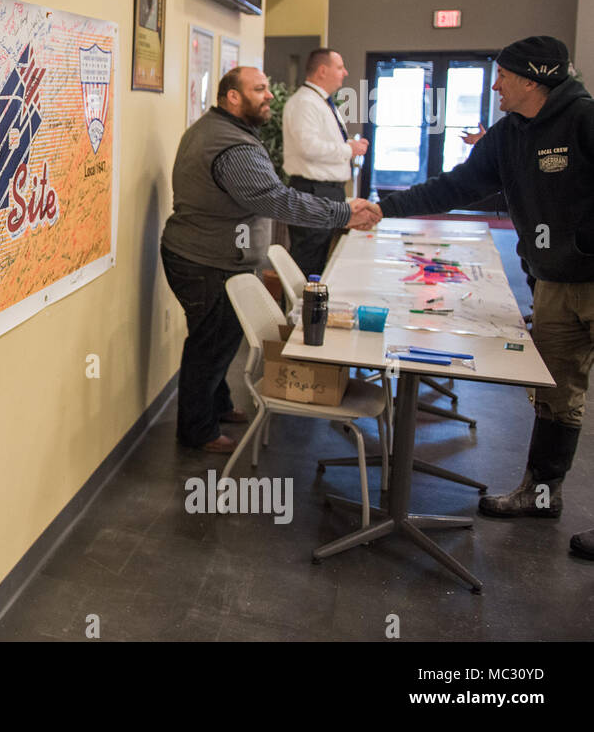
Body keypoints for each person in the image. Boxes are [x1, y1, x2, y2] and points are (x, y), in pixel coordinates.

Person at [371, 36, 594, 560]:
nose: (495, 85)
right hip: (554, 284)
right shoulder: (508, 134)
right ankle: (542, 494)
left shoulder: (584, 120)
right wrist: (386, 208)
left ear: (532, 79)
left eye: (503, 75)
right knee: (555, 393)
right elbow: (457, 187)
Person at [161, 66, 380, 453]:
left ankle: (218, 405)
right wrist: (343, 213)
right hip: (207, 260)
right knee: (209, 345)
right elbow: (277, 199)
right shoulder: (232, 145)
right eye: (260, 89)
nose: (270, 96)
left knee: (219, 339)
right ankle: (198, 431)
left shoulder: (219, 128)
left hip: (204, 253)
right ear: (232, 97)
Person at [282, 48, 369, 278]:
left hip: (326, 191)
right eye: (339, 67)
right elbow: (308, 147)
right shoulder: (305, 102)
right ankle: (299, 313)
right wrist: (348, 149)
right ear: (322, 71)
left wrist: (347, 145)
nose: (345, 72)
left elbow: (320, 143)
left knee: (318, 260)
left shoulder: (321, 101)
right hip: (313, 190)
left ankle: (311, 311)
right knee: (307, 260)